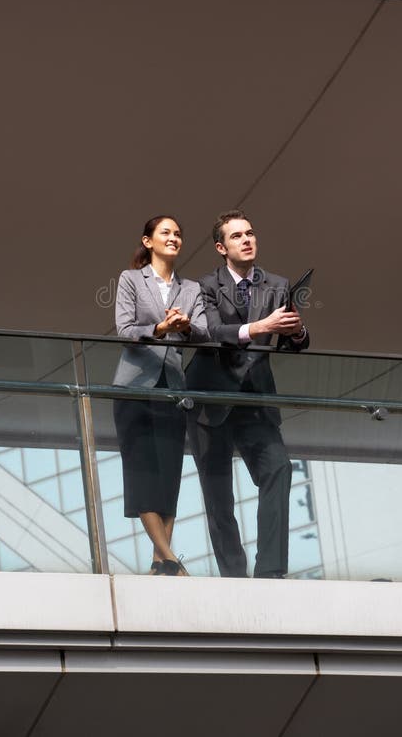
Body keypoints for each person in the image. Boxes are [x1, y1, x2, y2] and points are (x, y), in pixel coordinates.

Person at [186, 210, 309, 579]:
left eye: (250, 233)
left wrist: (297, 331)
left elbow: (293, 343)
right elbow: (212, 332)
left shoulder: (278, 284)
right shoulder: (205, 285)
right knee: (218, 496)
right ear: (221, 247)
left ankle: (270, 570)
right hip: (210, 399)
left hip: (255, 399)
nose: (247, 240)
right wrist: (260, 326)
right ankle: (234, 577)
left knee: (279, 468)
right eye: (237, 236)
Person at [113, 215, 209, 576]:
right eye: (165, 232)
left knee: (169, 476)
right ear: (148, 241)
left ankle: (160, 563)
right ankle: (170, 559)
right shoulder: (130, 279)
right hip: (134, 388)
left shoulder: (191, 288)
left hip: (173, 389)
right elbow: (124, 330)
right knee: (141, 473)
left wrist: (185, 327)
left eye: (178, 234)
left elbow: (204, 332)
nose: (174, 238)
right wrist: (159, 328)